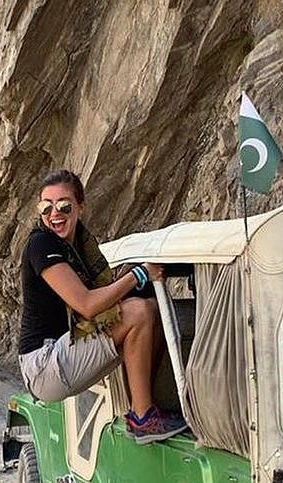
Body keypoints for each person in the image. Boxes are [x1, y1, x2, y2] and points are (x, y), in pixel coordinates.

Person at [18, 169, 186, 442]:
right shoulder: (41, 244)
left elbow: (107, 296)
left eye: (64, 206)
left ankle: (145, 406)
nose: (54, 214)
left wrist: (137, 281)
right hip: (43, 363)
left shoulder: (81, 246)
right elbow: (87, 305)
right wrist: (140, 274)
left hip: (64, 350)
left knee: (151, 309)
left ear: (80, 207)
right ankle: (143, 418)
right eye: (46, 207)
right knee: (138, 313)